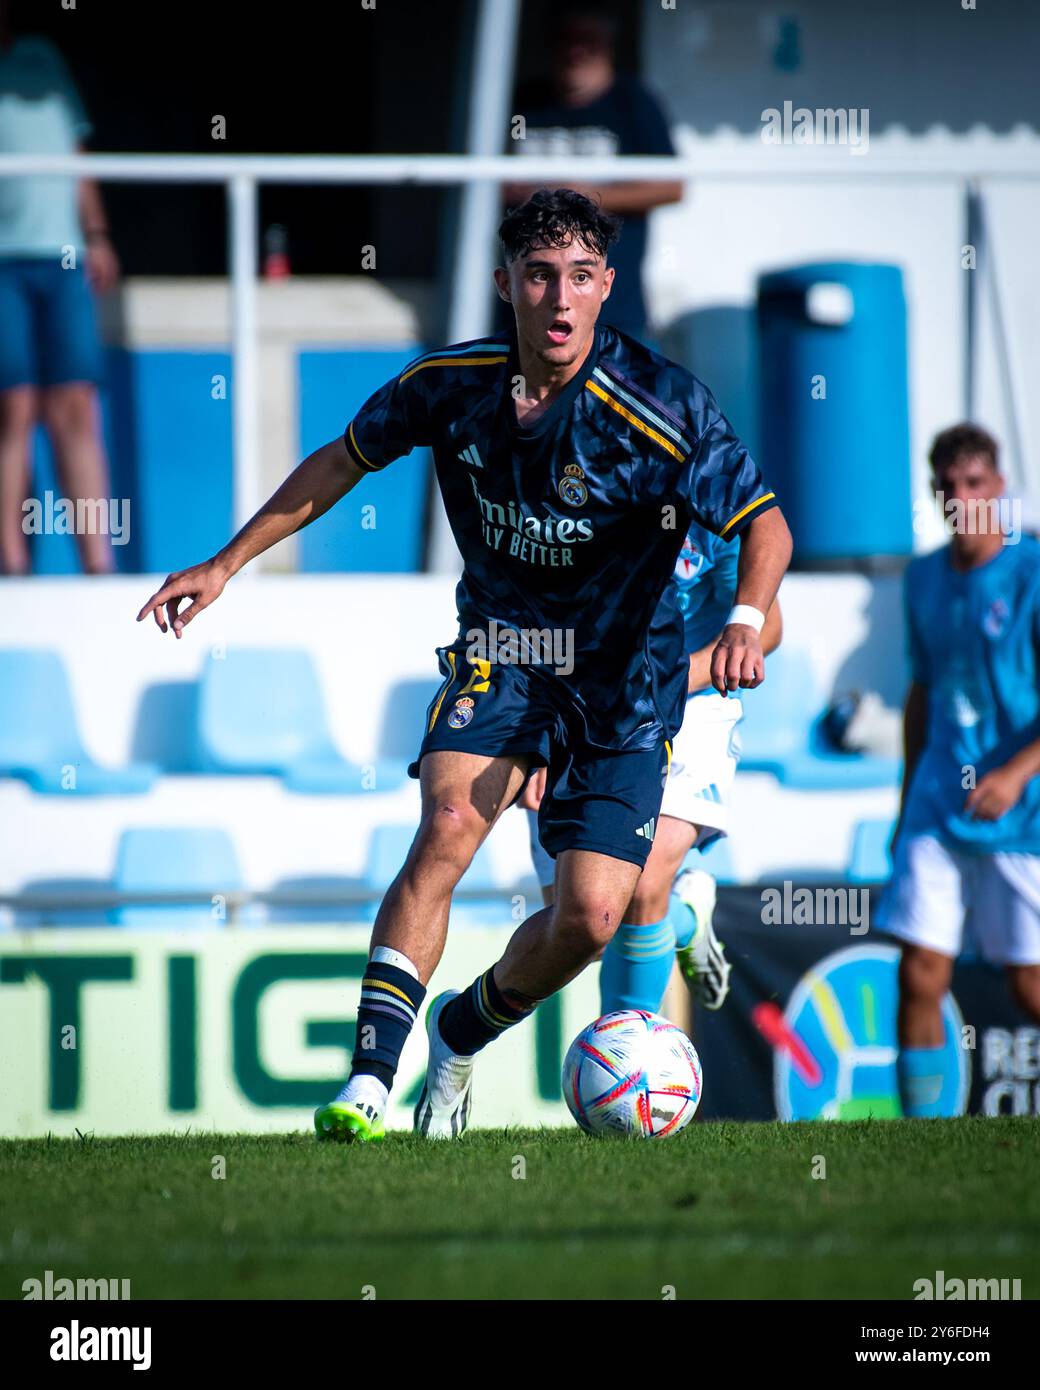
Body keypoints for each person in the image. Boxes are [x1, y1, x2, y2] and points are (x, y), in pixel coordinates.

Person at [138, 188, 791, 1143]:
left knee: (593, 917)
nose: (559, 300)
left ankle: (457, 1032)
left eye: (578, 278)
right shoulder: (449, 384)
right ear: (505, 285)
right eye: (538, 277)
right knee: (448, 822)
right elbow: (340, 462)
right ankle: (366, 1083)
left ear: (607, 287)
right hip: (507, 653)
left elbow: (764, 523)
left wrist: (741, 617)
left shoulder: (662, 406)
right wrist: (224, 564)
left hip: (625, 687)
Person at [521, 525, 782, 1017]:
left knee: (638, 889)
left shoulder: (712, 490)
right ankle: (686, 913)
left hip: (694, 702)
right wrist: (538, 736)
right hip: (583, 706)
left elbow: (767, 628)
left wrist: (671, 682)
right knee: (583, 930)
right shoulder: (565, 481)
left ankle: (623, 1063)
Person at [884, 423, 1040, 1117]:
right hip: (938, 804)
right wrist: (904, 800)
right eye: (949, 486)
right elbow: (922, 693)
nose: (963, 497)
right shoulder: (921, 578)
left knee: (1029, 983)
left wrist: (1014, 775)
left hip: (1020, 813)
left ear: (1000, 487)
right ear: (934, 494)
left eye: (975, 483)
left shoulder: (1031, 572)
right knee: (918, 973)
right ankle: (920, 1136)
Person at [0, 1, 119, 575]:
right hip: (3, 265)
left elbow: (75, 152)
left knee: (75, 404)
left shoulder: (41, 59)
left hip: (62, 260)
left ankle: (99, 569)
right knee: (13, 407)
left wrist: (96, 233)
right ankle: (13, 569)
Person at [502, 7, 680, 342]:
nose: (576, 50)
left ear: (608, 44)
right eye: (566, 40)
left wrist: (582, 196)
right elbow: (485, 181)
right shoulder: (526, 102)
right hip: (527, 303)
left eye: (588, 40)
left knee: (616, 390)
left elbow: (671, 186)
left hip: (614, 311)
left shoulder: (633, 103)